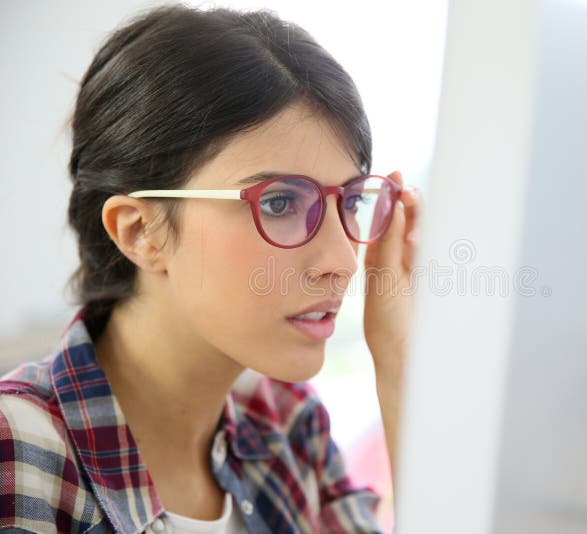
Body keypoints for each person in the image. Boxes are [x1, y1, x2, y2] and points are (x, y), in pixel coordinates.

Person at [0, 5, 419, 533]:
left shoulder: (287, 427)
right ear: (139, 231)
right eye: (279, 203)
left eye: (351, 202)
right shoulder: (20, 456)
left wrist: (403, 363)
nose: (340, 262)